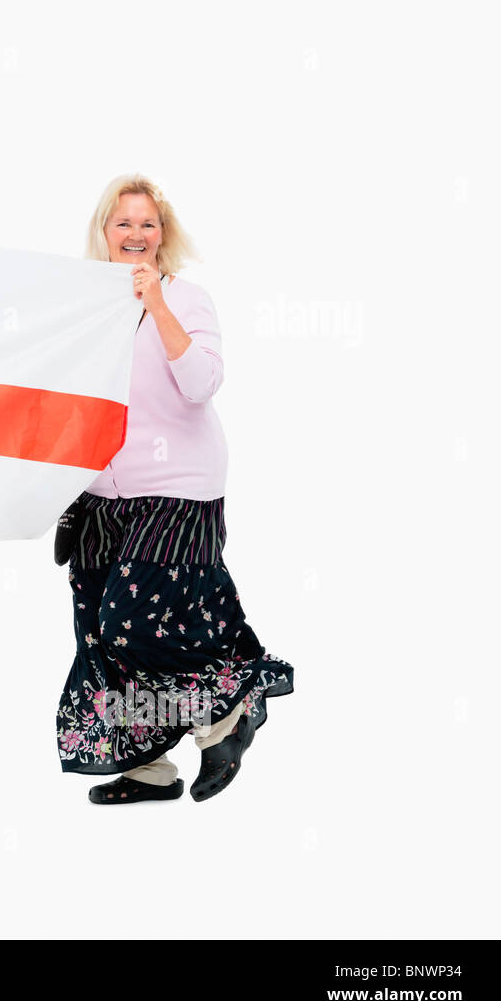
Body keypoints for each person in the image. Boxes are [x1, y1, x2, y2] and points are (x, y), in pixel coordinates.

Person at [53, 174, 293, 804]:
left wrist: (156, 304)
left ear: (163, 235)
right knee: (100, 632)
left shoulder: (188, 299)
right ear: (104, 232)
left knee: (133, 622)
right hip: (101, 491)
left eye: (147, 224)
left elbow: (201, 383)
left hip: (178, 485)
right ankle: (149, 767)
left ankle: (226, 713)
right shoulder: (83, 304)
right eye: (123, 223)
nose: (135, 235)